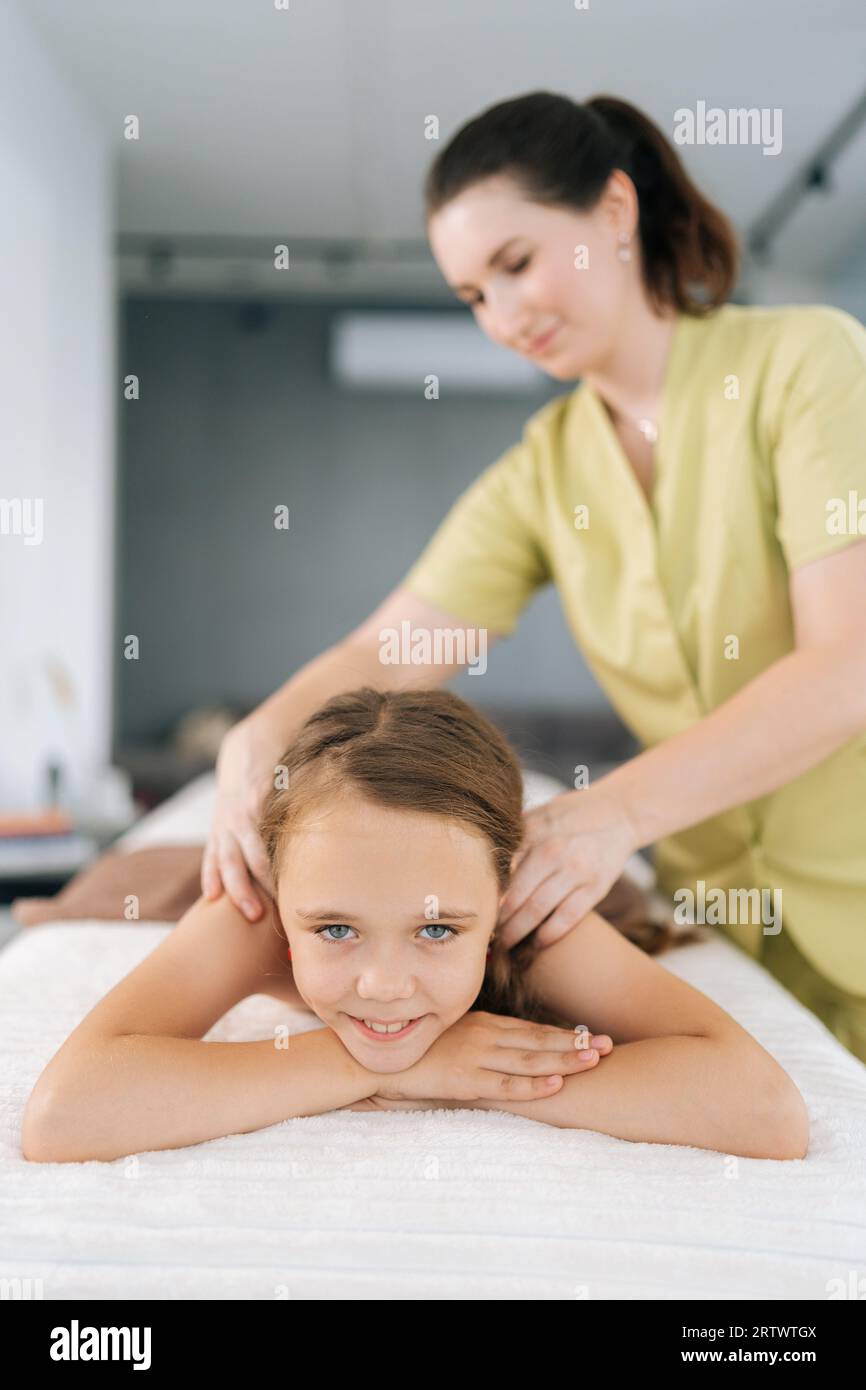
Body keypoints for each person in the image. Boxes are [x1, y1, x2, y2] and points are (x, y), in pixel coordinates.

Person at [203, 91, 866, 1062]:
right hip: (735, 928)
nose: (503, 316)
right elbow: (389, 649)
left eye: (514, 264)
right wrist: (257, 743)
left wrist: (610, 815)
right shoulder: (543, 472)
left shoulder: (803, 364)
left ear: (611, 209)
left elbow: (844, 663)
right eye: (473, 296)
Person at [22, 687, 807, 1162]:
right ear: (283, 894)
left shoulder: (528, 918)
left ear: (496, 902)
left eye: (437, 932)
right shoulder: (254, 909)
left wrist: (475, 1078)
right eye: (334, 930)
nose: (385, 987)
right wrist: (396, 1067)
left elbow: (766, 1111)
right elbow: (65, 1114)